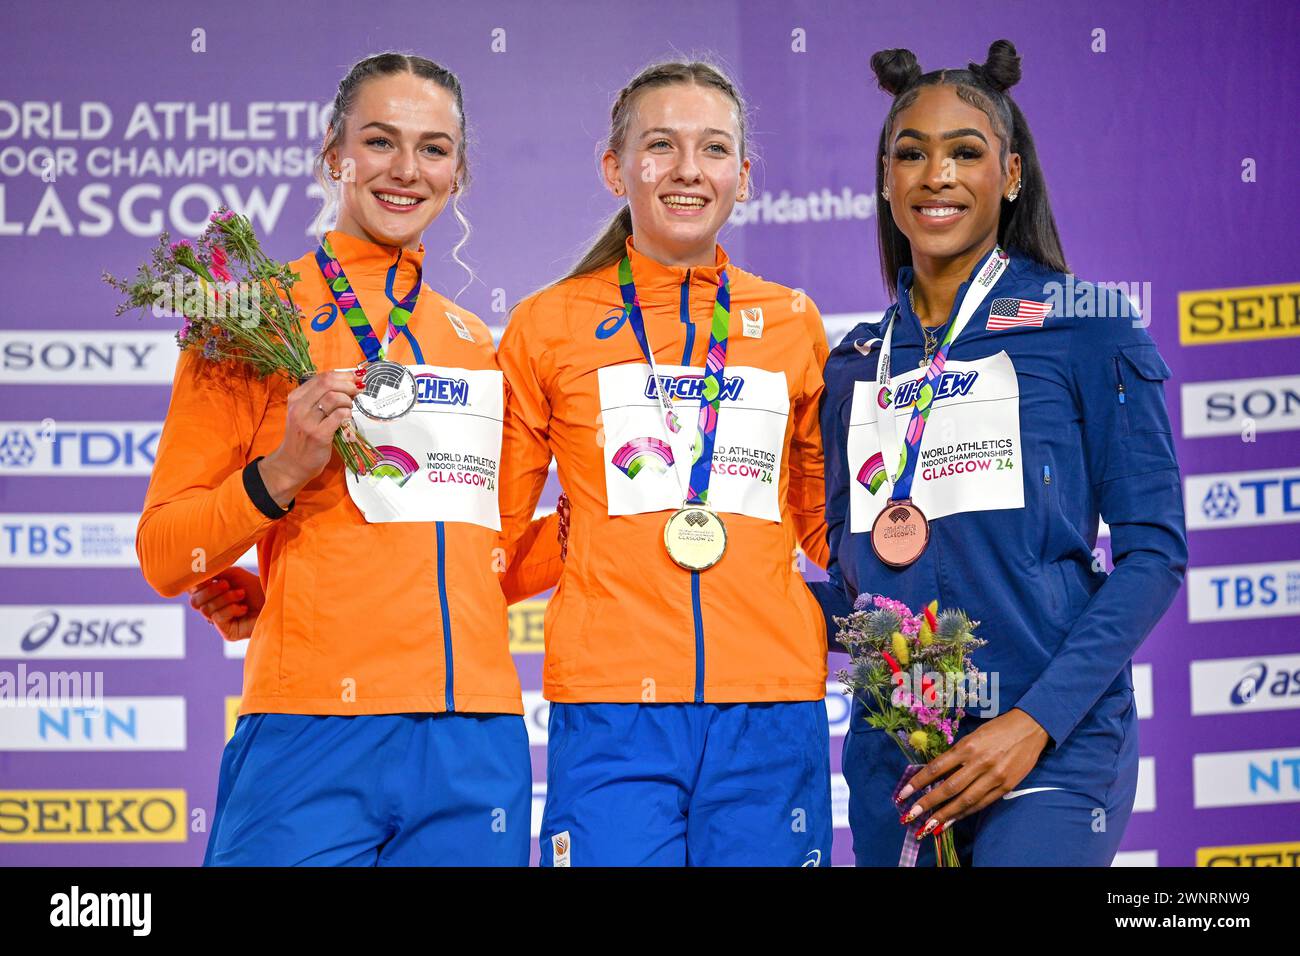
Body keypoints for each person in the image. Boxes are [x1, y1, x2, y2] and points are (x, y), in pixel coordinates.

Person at [139, 52, 551, 866]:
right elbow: (163, 553)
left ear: (459, 171)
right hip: (311, 730)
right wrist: (279, 476)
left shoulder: (475, 344)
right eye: (379, 141)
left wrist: (594, 531)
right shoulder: (249, 319)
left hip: (476, 736)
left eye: (433, 148)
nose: (406, 170)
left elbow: (486, 563)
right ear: (334, 155)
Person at [818, 40, 1187, 866]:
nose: (935, 175)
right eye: (909, 154)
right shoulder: (853, 364)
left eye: (965, 152)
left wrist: (1032, 723)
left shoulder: (1088, 324)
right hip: (899, 758)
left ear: (1011, 175)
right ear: (885, 181)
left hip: (1048, 744)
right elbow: (862, 581)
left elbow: (1154, 552)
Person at [496, 60, 834, 867]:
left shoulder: (793, 322)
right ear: (615, 168)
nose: (688, 170)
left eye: (714, 149)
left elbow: (824, 525)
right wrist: (584, 531)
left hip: (771, 702)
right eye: (661, 146)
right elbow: (494, 543)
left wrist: (956, 569)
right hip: (613, 707)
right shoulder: (546, 326)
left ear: (744, 177)